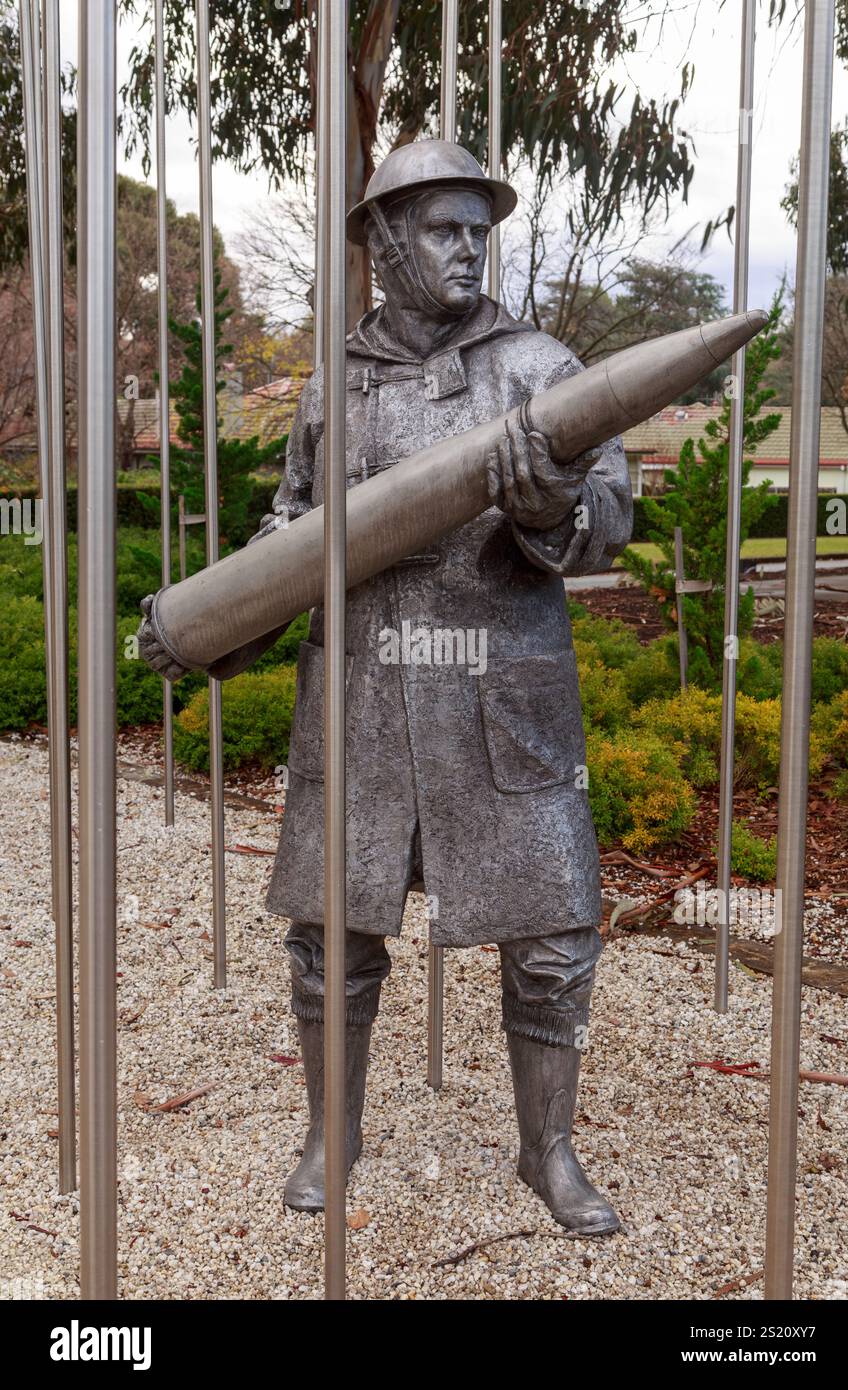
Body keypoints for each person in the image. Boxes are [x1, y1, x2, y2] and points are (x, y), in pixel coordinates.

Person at [139, 140, 632, 1235]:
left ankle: (546, 1148)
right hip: (359, 697)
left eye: (478, 228)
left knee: (552, 940)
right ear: (382, 244)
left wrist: (551, 508)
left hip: (503, 697)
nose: (469, 247)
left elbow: (610, 516)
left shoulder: (539, 369)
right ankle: (333, 1131)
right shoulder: (333, 384)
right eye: (443, 229)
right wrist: (218, 619)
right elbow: (293, 525)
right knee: (329, 940)